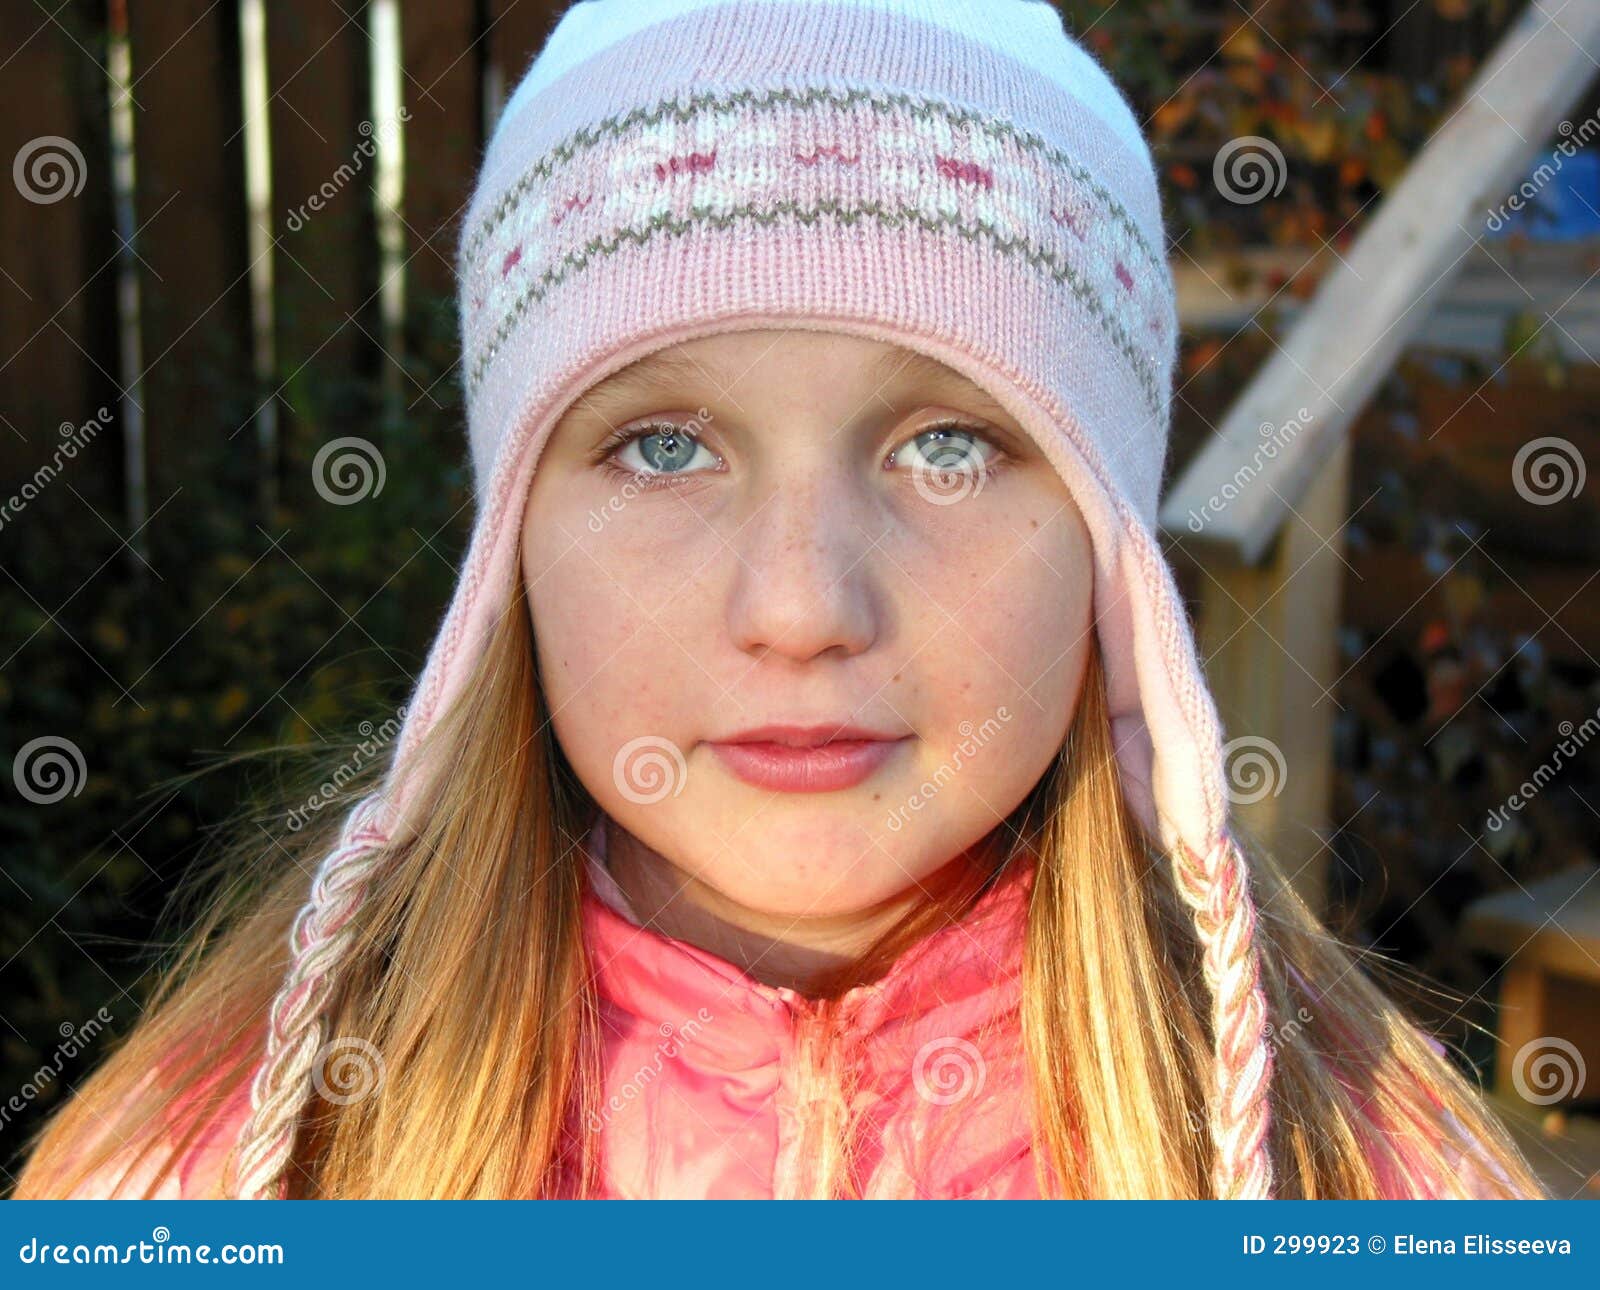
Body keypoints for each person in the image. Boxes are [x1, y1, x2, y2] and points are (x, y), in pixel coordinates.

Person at [17, 0, 1547, 1199]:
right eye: (663, 444)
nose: (804, 608)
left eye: (949, 444)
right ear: (511, 548)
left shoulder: (1348, 1172)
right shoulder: (225, 1174)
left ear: (1106, 542)